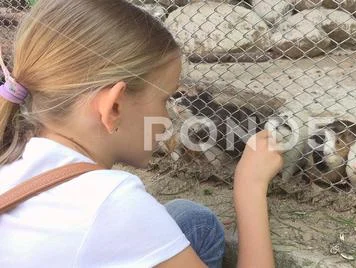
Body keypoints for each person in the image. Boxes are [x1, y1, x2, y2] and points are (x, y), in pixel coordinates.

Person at [0, 0, 283, 267]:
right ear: (114, 107)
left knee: (192, 220)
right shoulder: (114, 202)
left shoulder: (11, 152)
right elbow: (112, 216)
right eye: (164, 101)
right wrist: (250, 186)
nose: (166, 120)